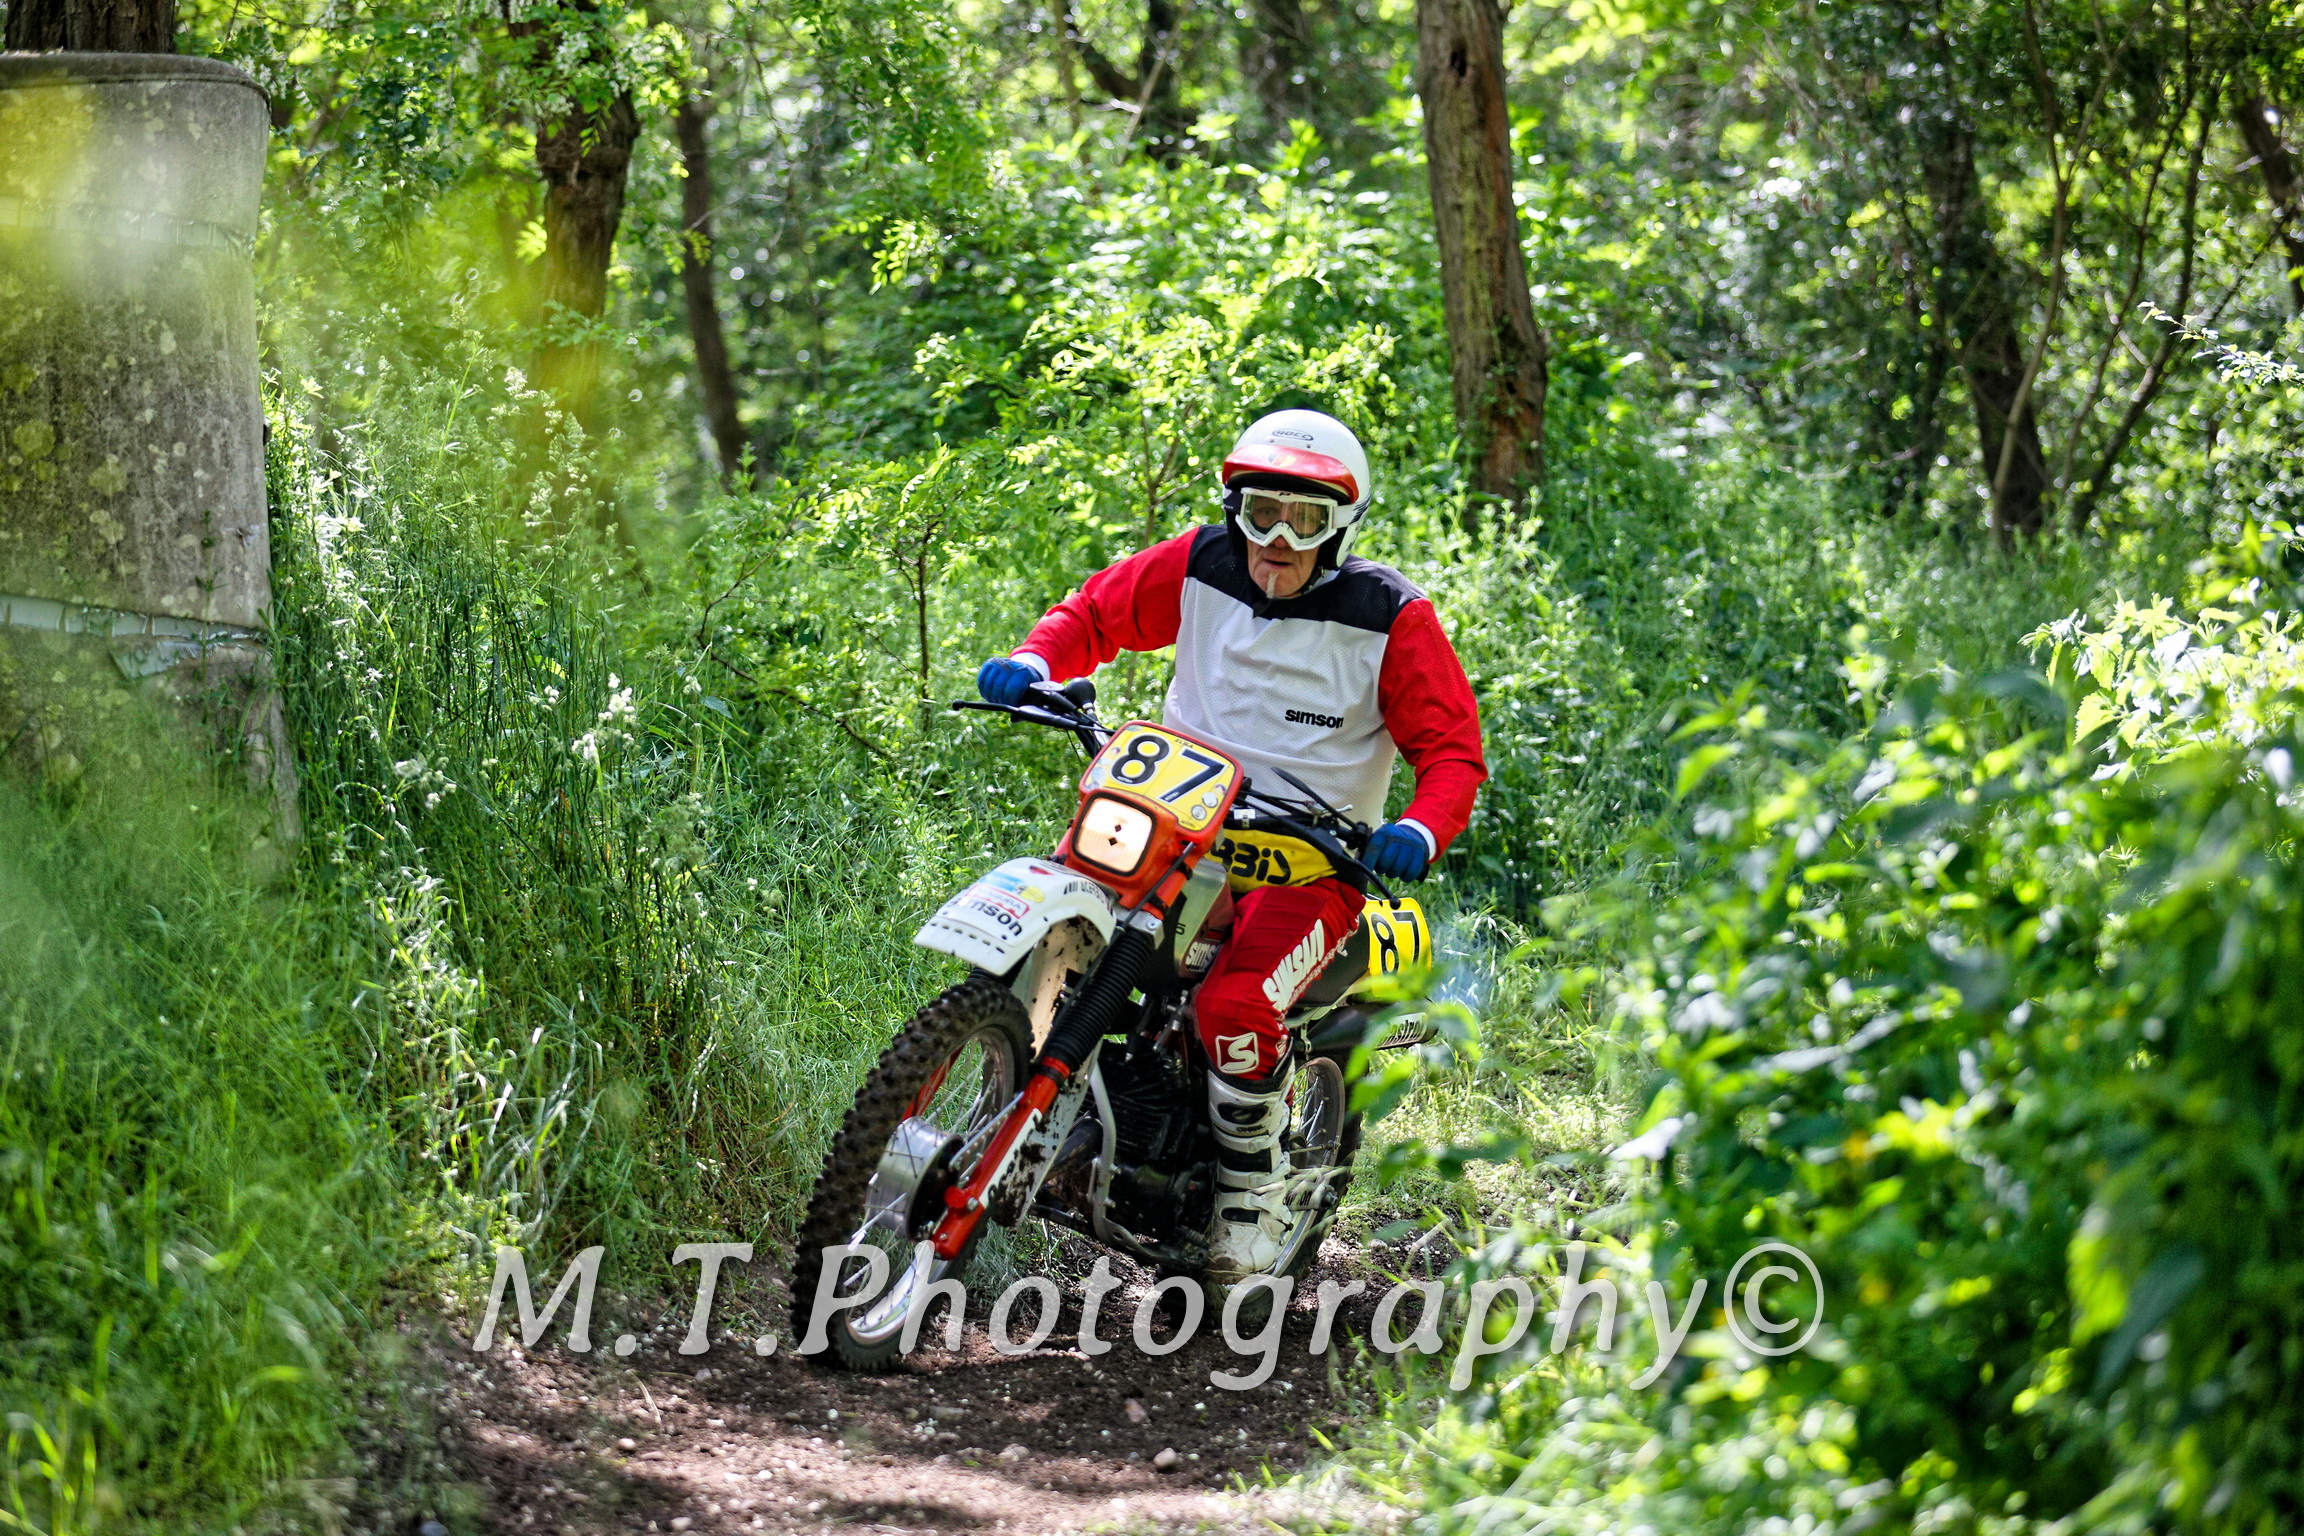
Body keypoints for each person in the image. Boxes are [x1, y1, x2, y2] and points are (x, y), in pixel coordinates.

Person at [976, 409, 1487, 1282]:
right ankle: (1021, 1095)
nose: (1276, 539)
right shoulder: (1199, 563)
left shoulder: (1392, 618)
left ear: (1341, 529)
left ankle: (1251, 1194)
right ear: (1233, 510)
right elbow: (1094, 613)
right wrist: (1036, 660)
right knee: (1066, 922)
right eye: (1260, 512)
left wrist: (1419, 827)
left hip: (1308, 867)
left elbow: (1452, 752)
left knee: (1234, 1005)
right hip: (1174, 831)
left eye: (1305, 520)